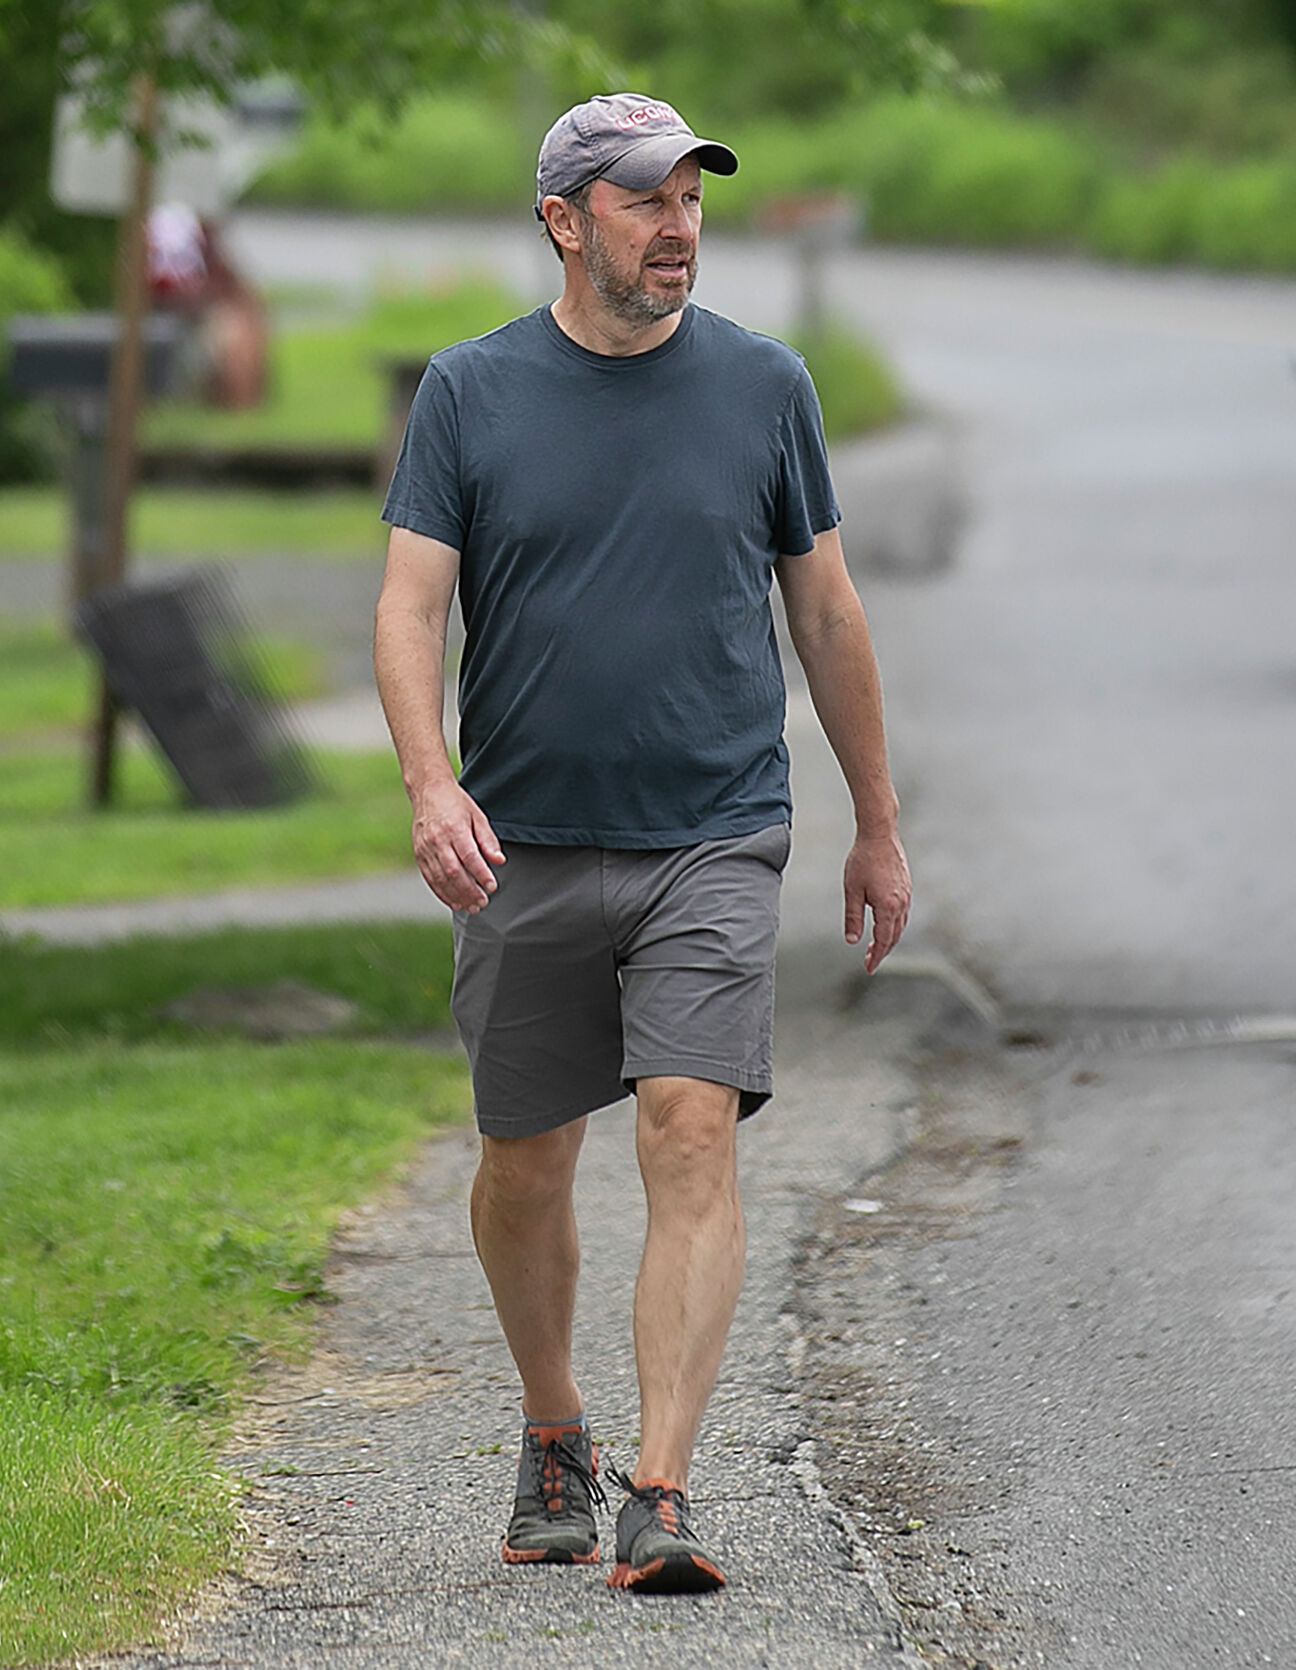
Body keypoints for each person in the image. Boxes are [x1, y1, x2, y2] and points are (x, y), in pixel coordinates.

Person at [373, 92, 911, 1596]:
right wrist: (432, 784)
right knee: (524, 1158)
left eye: (691, 200)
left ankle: (660, 1489)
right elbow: (412, 606)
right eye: (645, 202)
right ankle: (558, 1426)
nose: (679, 228)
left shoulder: (765, 387)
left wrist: (875, 823)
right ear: (563, 219)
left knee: (689, 1126)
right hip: (524, 841)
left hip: (714, 832)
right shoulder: (471, 392)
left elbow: (826, 610)